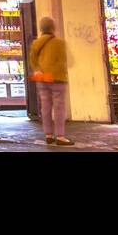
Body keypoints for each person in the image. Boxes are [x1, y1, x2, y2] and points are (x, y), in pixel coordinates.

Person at [29, 16, 73, 146]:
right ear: (53, 27)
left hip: (43, 78)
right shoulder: (59, 43)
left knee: (46, 107)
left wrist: (39, 69)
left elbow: (33, 61)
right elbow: (66, 59)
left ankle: (48, 134)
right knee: (59, 107)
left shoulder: (36, 43)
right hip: (57, 78)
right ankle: (60, 136)